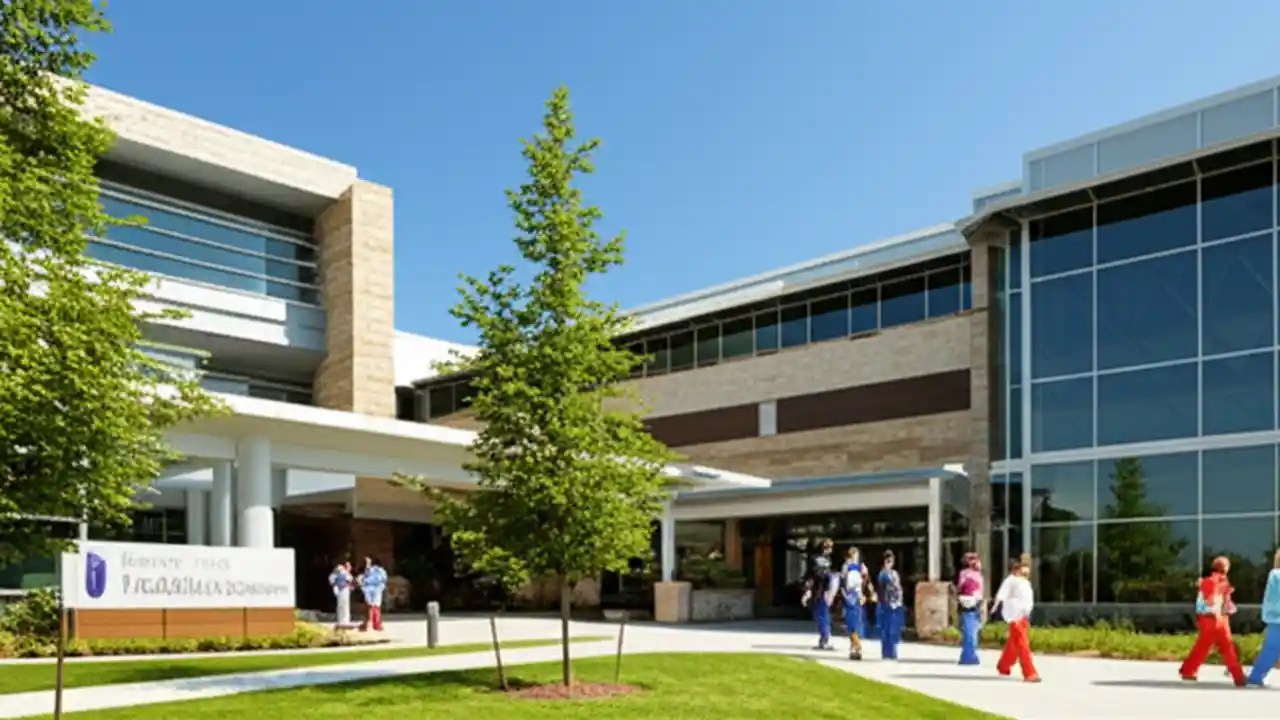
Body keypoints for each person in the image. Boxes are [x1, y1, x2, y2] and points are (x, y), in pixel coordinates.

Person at [1180, 555, 1246, 686]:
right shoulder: (1223, 582)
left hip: (1209, 619)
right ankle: (1238, 677)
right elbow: (1225, 603)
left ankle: (1188, 671)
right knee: (1228, 648)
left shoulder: (1208, 581)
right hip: (1221, 619)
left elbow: (1209, 599)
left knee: (1202, 647)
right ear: (1226, 569)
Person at [992, 555, 1040, 682]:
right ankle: (1030, 673)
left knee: (1013, 644)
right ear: (1016, 568)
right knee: (1022, 644)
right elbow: (1000, 596)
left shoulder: (1024, 582)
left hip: (1023, 616)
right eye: (1024, 567)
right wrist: (993, 611)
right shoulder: (1011, 581)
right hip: (1015, 616)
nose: (1027, 570)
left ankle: (1003, 665)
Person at [1248, 548, 1280, 687]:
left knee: (1271, 648)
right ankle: (1256, 677)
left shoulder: (1274, 575)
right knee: (1272, 647)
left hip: (1273, 616)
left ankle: (1256, 676)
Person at [801, 539, 838, 651]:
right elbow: (812, 576)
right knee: (821, 615)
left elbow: (812, 576)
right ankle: (824, 638)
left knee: (823, 615)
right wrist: (808, 590)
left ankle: (824, 638)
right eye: (829, 547)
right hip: (820, 591)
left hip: (823, 591)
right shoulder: (817, 559)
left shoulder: (827, 559)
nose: (830, 550)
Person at [957, 551, 984, 666]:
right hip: (969, 605)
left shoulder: (977, 575)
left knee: (971, 632)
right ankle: (968, 656)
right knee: (970, 632)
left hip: (974, 605)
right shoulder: (966, 574)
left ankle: (969, 655)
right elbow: (962, 589)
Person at [841, 546, 868, 660]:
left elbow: (863, 583)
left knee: (855, 624)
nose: (855, 557)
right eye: (854, 555)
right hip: (852, 597)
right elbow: (845, 583)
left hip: (855, 597)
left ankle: (854, 648)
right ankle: (856, 647)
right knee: (853, 624)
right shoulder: (848, 567)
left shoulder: (859, 567)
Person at [876, 550, 903, 660]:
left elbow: (898, 588)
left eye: (891, 560)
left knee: (894, 629)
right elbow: (883, 588)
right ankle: (887, 651)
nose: (890, 562)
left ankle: (893, 651)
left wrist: (899, 600)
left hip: (895, 604)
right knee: (886, 628)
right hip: (886, 604)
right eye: (888, 560)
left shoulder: (894, 573)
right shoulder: (883, 574)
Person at [359, 556, 389, 632]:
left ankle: (372, 624)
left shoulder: (375, 571)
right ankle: (375, 624)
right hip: (375, 590)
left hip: (372, 590)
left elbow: (365, 580)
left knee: (371, 607)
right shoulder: (380, 571)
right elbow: (384, 581)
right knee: (375, 607)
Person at [329, 561, 353, 630]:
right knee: (341, 605)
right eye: (348, 566)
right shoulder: (339, 572)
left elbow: (350, 580)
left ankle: (345, 620)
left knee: (345, 605)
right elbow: (332, 580)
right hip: (340, 589)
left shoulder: (346, 573)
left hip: (345, 589)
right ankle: (341, 620)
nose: (349, 567)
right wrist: (335, 585)